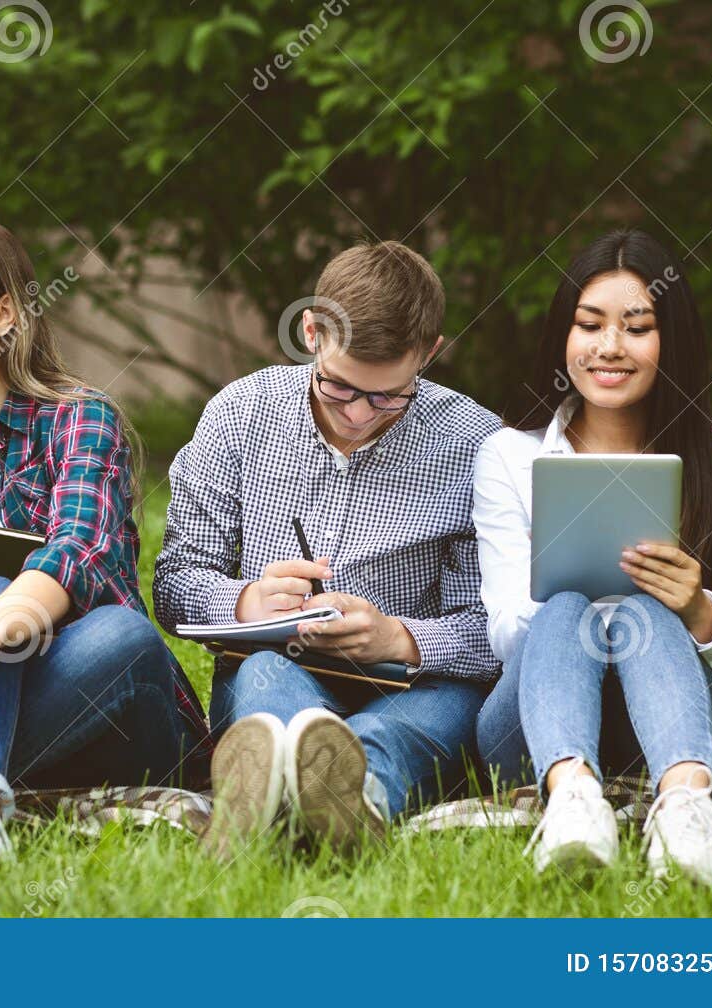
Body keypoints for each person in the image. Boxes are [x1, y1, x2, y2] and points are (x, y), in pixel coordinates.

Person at [0, 215, 210, 877]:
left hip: (107, 706)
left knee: (124, 636)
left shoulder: (81, 418)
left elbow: (80, 553)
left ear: (3, 314)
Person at [154, 241, 501, 857]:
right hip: (280, 662)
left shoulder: (477, 445)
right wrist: (246, 602)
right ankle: (322, 802)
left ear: (430, 353)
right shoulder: (241, 414)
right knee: (262, 673)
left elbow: (497, 632)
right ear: (310, 331)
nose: (359, 415)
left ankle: (312, 801)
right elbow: (176, 580)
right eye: (339, 388)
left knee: (428, 718)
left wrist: (400, 639)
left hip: (417, 685)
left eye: (389, 396)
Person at [472, 228, 712, 889]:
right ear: (563, 337)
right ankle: (575, 803)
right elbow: (503, 636)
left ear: (673, 342)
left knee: (645, 608)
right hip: (531, 725)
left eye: (637, 328)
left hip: (684, 724)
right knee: (568, 608)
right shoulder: (509, 457)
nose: (610, 347)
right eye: (590, 325)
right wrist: (569, 593)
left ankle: (686, 817)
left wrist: (696, 609)